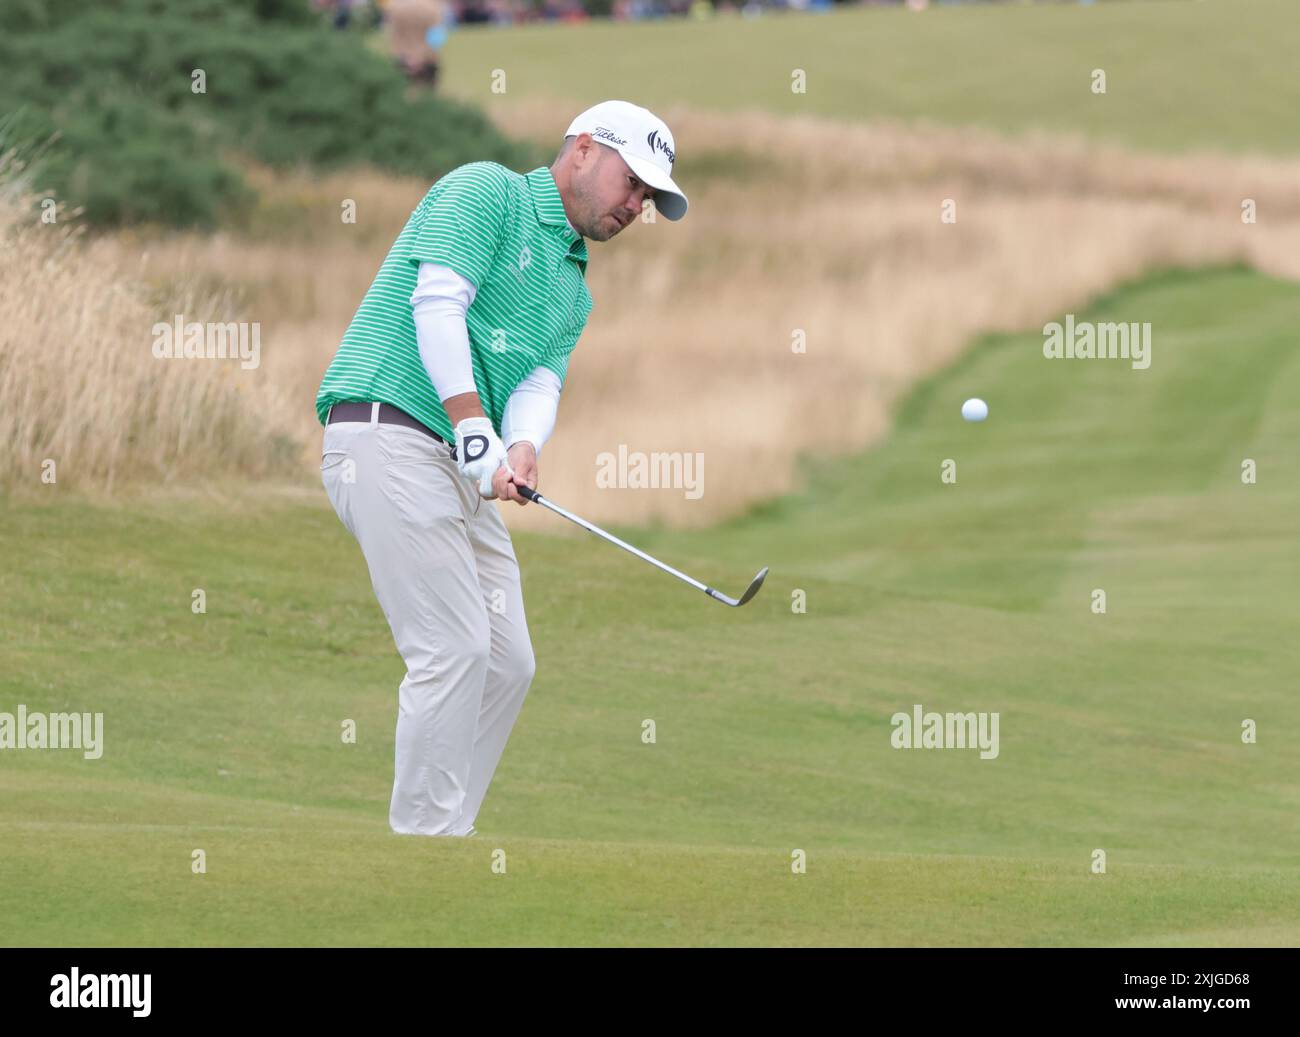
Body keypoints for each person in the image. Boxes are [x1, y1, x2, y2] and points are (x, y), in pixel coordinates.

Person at [315, 101, 689, 837]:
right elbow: (438, 305)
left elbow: (538, 383)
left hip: (459, 457)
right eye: (632, 183)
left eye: (648, 198)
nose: (635, 206)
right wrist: (475, 429)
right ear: (583, 150)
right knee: (452, 646)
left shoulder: (573, 285)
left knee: (508, 659)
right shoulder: (486, 191)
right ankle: (423, 846)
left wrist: (519, 445)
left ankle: (449, 831)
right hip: (387, 432)